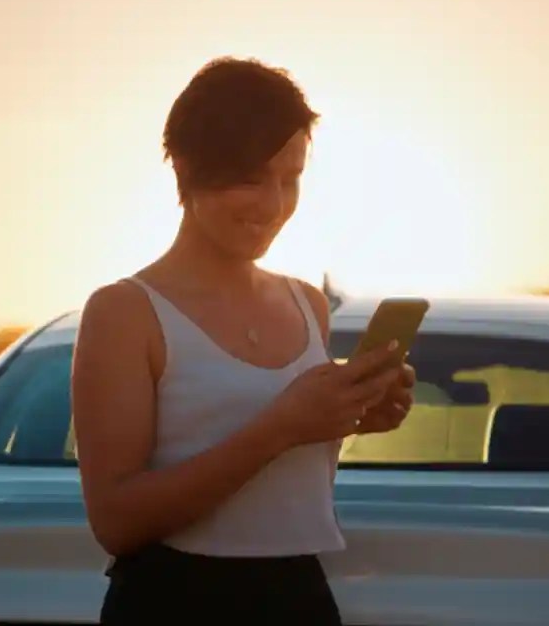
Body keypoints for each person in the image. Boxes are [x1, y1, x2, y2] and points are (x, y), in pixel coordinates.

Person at [70, 56, 416, 624]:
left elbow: (278, 485)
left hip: (299, 595)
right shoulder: (125, 313)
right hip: (173, 601)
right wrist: (283, 426)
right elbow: (116, 521)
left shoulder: (307, 303)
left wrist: (351, 414)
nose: (274, 205)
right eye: (251, 177)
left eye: (291, 178)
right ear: (186, 166)